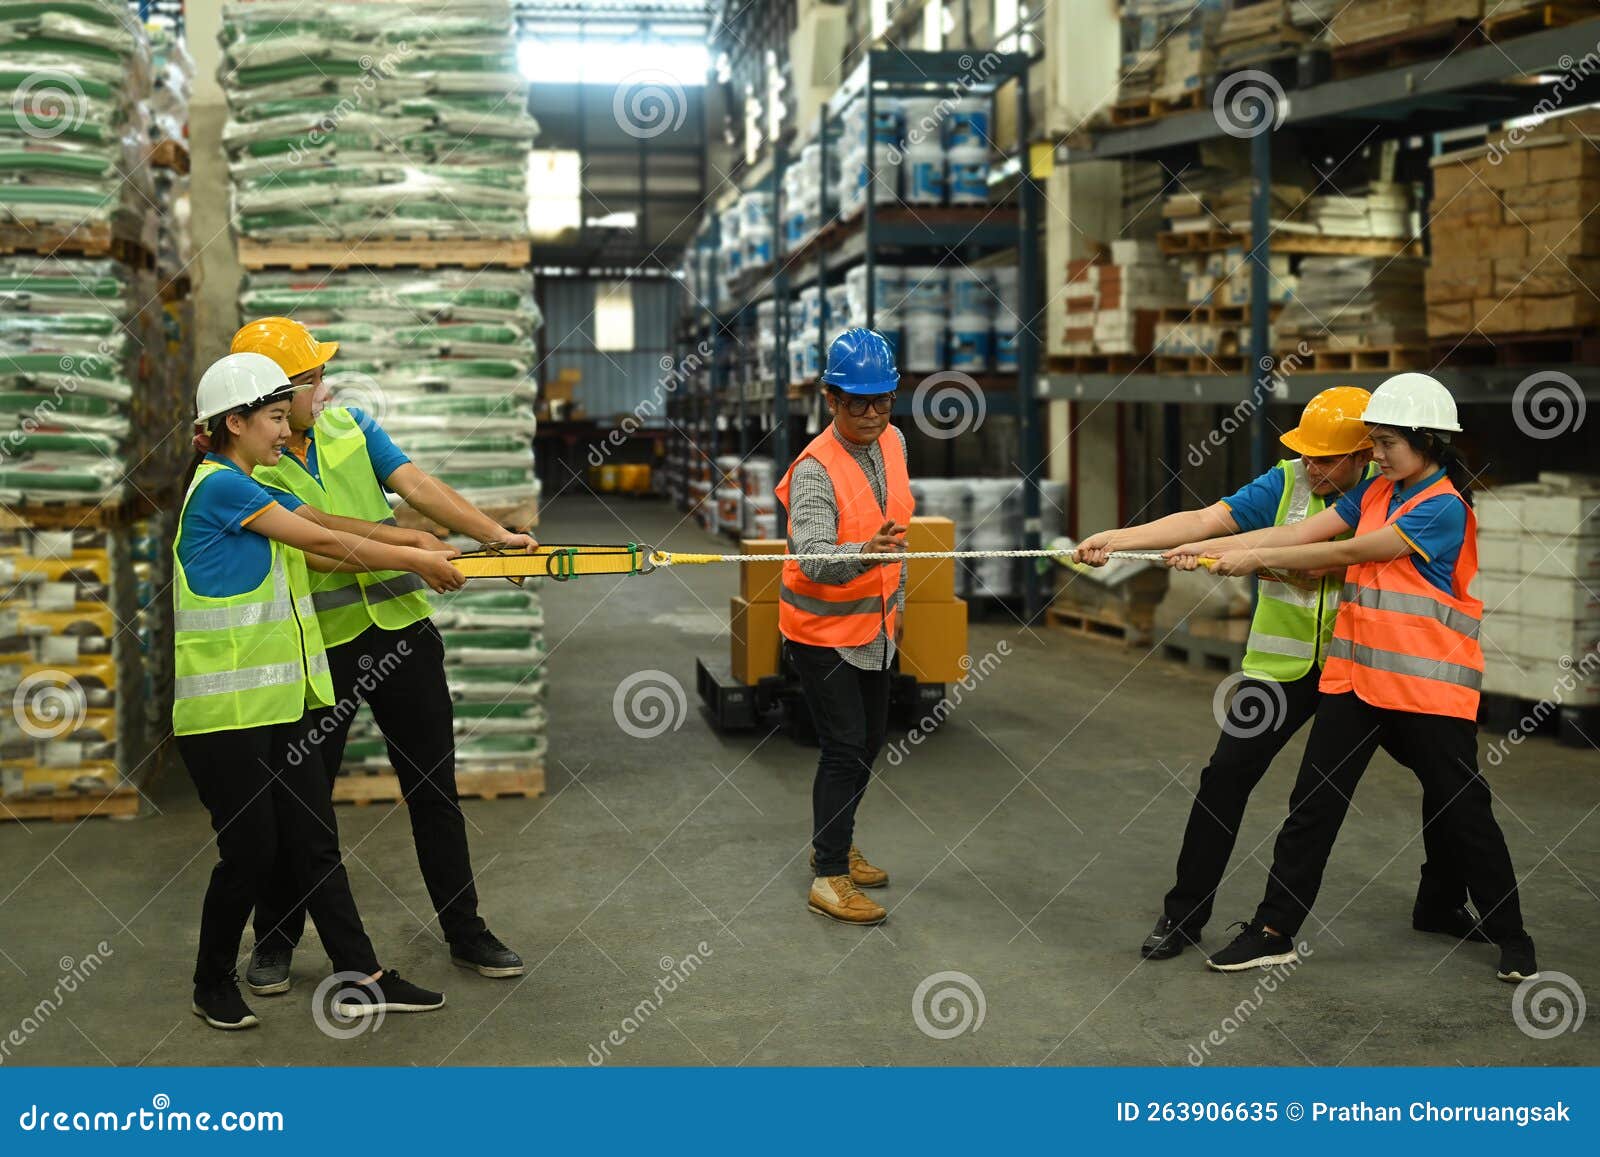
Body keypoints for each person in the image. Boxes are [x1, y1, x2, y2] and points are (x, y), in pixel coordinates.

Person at [1077, 387, 1485, 961]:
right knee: (1224, 778)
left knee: (1449, 782)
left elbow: (1374, 566)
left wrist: (1280, 566)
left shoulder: (1389, 491)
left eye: (1327, 459)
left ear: (1366, 453)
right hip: (1279, 670)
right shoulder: (1286, 482)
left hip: (1359, 673)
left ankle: (1440, 902)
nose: (1311, 468)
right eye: (1306, 455)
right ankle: (1183, 916)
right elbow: (1205, 518)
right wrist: (1117, 539)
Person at [1187, 373, 1539, 982]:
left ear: (1426, 441)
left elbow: (1348, 552)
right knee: (1312, 805)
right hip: (1353, 682)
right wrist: (1224, 548)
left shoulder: (1442, 508)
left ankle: (1512, 935)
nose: (1375, 454)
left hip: (1425, 689)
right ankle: (1273, 930)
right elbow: (1303, 532)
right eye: (1374, 442)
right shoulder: (1378, 490)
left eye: (1385, 443)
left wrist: (1254, 558)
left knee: (1463, 809)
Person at [229, 317, 534, 993]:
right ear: (271, 393)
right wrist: (416, 554)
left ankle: (466, 930)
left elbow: (418, 487)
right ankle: (276, 937)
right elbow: (319, 544)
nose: (323, 389)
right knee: (303, 803)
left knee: (434, 789)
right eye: (311, 380)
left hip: (402, 633)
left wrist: (493, 534)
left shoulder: (351, 427)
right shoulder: (254, 465)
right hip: (320, 650)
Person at [176, 353, 466, 1029]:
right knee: (251, 851)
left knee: (314, 840)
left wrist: (416, 540)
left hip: (284, 705)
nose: (287, 430)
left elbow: (333, 532)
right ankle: (211, 980)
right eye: (276, 418)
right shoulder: (220, 489)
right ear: (235, 422)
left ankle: (362, 975)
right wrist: (415, 558)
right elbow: (322, 541)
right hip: (226, 717)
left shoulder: (252, 484)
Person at [774, 328, 912, 926]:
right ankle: (829, 876)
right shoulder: (814, 469)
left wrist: (896, 602)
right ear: (830, 399)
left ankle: (835, 840)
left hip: (875, 627)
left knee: (871, 740)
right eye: (858, 402)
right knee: (845, 746)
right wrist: (864, 554)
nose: (872, 414)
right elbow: (811, 556)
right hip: (821, 631)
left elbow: (896, 528)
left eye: (883, 400)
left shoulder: (895, 442)